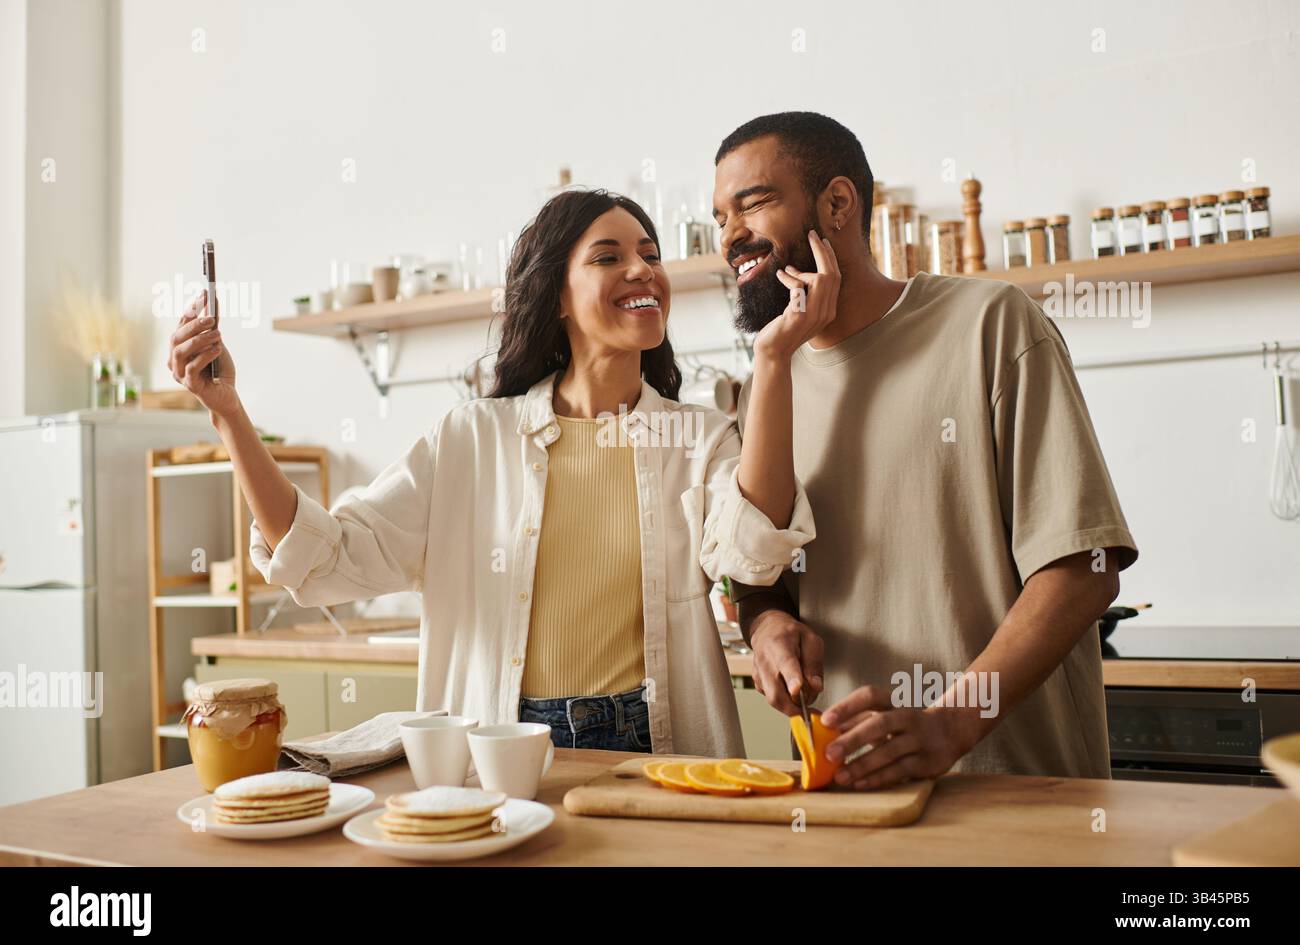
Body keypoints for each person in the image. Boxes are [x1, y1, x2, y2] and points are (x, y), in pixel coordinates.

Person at [166, 187, 826, 757]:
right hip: (501, 743)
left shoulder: (697, 437)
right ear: (557, 296)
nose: (643, 271)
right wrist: (227, 413)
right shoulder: (472, 439)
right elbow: (323, 560)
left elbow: (757, 550)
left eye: (651, 254)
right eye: (609, 257)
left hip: (657, 740)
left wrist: (771, 362)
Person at [712, 111, 1139, 785]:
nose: (732, 237)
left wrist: (949, 723)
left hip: (1020, 796)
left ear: (838, 203)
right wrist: (764, 627)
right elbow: (758, 578)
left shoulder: (990, 325)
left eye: (753, 204)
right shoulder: (770, 378)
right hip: (855, 796)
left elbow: (1083, 569)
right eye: (718, 220)